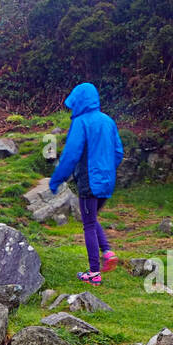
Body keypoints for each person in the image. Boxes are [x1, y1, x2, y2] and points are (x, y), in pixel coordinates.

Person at [49, 82, 124, 285]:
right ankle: (107, 252)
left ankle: (94, 272)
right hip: (107, 181)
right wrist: (107, 168)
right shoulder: (108, 121)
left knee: (88, 223)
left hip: (90, 181)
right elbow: (118, 152)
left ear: (80, 101)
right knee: (92, 217)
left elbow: (71, 155)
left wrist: (56, 179)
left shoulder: (82, 122)